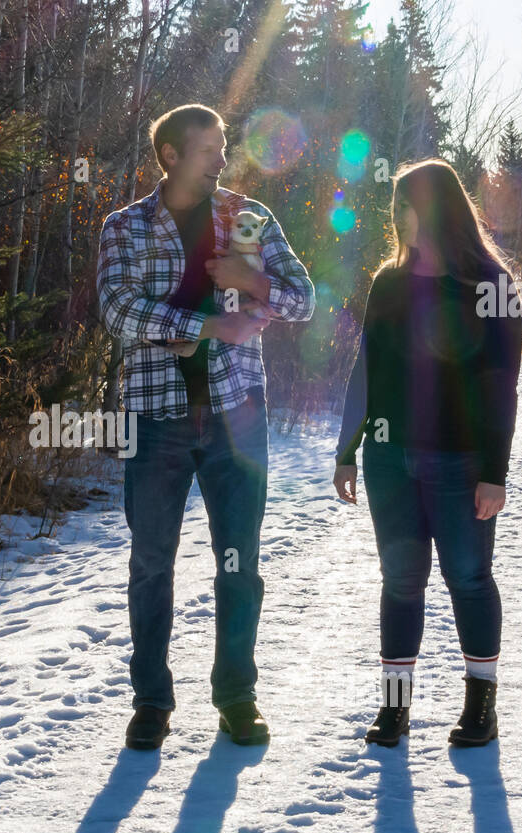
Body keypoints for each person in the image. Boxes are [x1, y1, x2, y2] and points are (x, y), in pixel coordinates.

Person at [96, 104, 316, 749]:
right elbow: (116, 310)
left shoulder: (250, 218)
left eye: (224, 146)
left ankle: (236, 698)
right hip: (154, 417)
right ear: (170, 155)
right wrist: (203, 326)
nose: (223, 157)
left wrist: (255, 281)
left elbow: (304, 299)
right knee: (150, 564)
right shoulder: (125, 227)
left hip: (237, 419)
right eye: (209, 148)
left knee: (239, 563)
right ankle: (151, 703)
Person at [333, 158, 522, 748]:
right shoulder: (388, 283)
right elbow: (365, 369)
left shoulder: (493, 287)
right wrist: (348, 448)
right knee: (400, 581)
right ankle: (395, 711)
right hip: (390, 461)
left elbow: (502, 386)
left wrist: (494, 473)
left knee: (468, 579)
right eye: (393, 207)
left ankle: (480, 711)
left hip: (461, 463)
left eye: (405, 205)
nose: (396, 218)